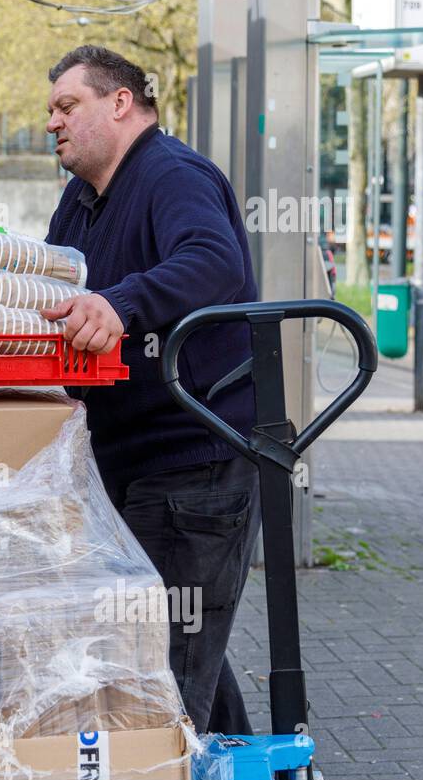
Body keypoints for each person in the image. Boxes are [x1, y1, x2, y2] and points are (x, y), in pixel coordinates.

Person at [39, 45, 261, 736]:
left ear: (120, 103)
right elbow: (46, 287)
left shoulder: (172, 174)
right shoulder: (82, 200)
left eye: (67, 106)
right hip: (126, 464)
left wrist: (121, 304)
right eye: (50, 110)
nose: (53, 122)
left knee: (157, 675)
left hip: (194, 461)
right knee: (178, 655)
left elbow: (213, 261)